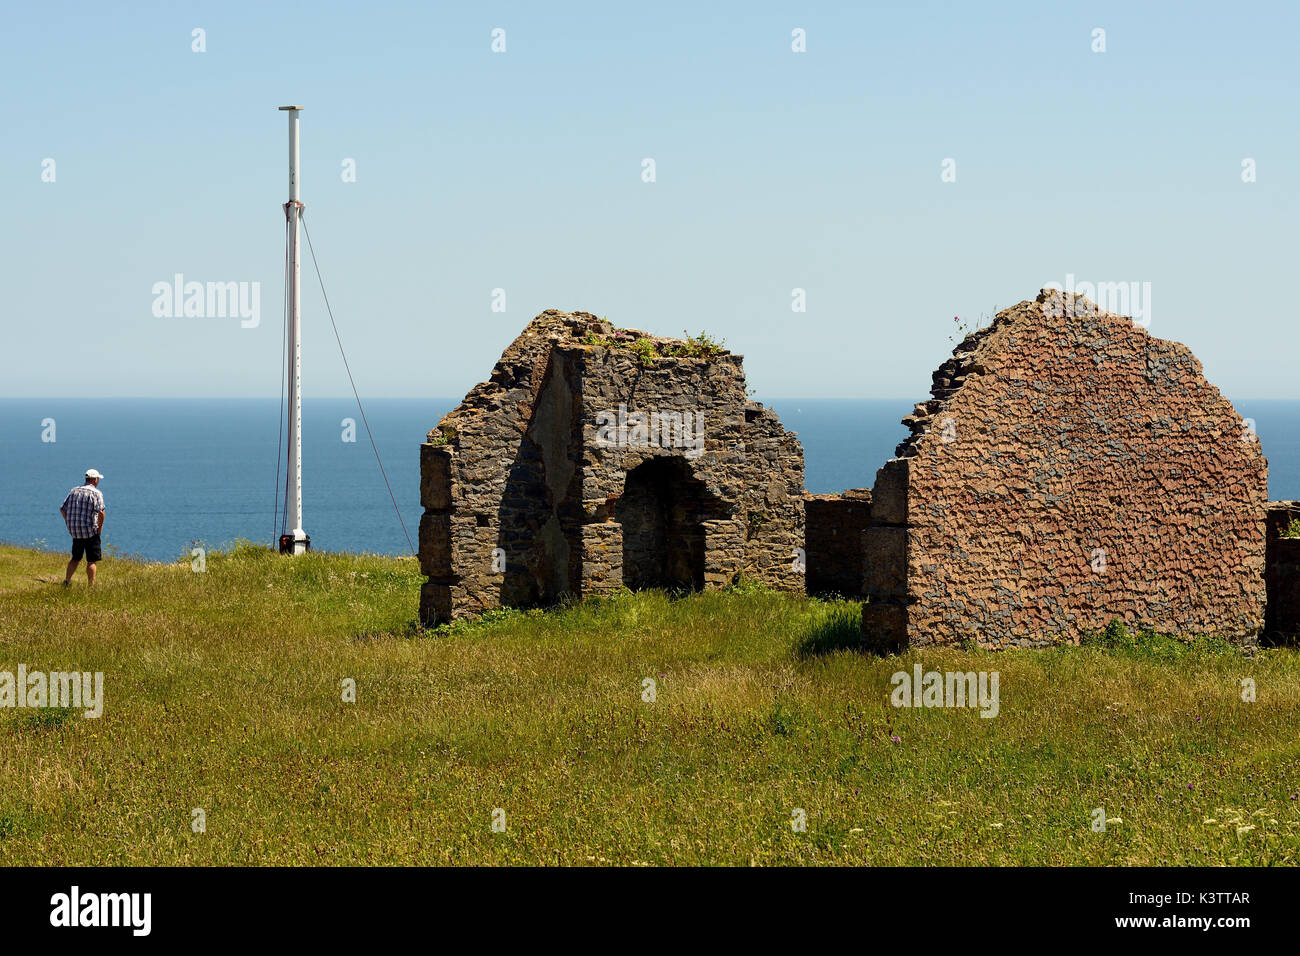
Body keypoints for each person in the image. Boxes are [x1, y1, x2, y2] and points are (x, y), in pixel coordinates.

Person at [60, 469, 107, 587]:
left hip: (75, 531)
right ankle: (91, 586)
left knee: (75, 558)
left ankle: (67, 581)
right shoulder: (96, 493)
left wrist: (68, 523)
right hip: (90, 531)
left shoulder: (74, 491)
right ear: (95, 480)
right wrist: (99, 529)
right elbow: (101, 513)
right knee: (91, 560)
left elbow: (62, 509)